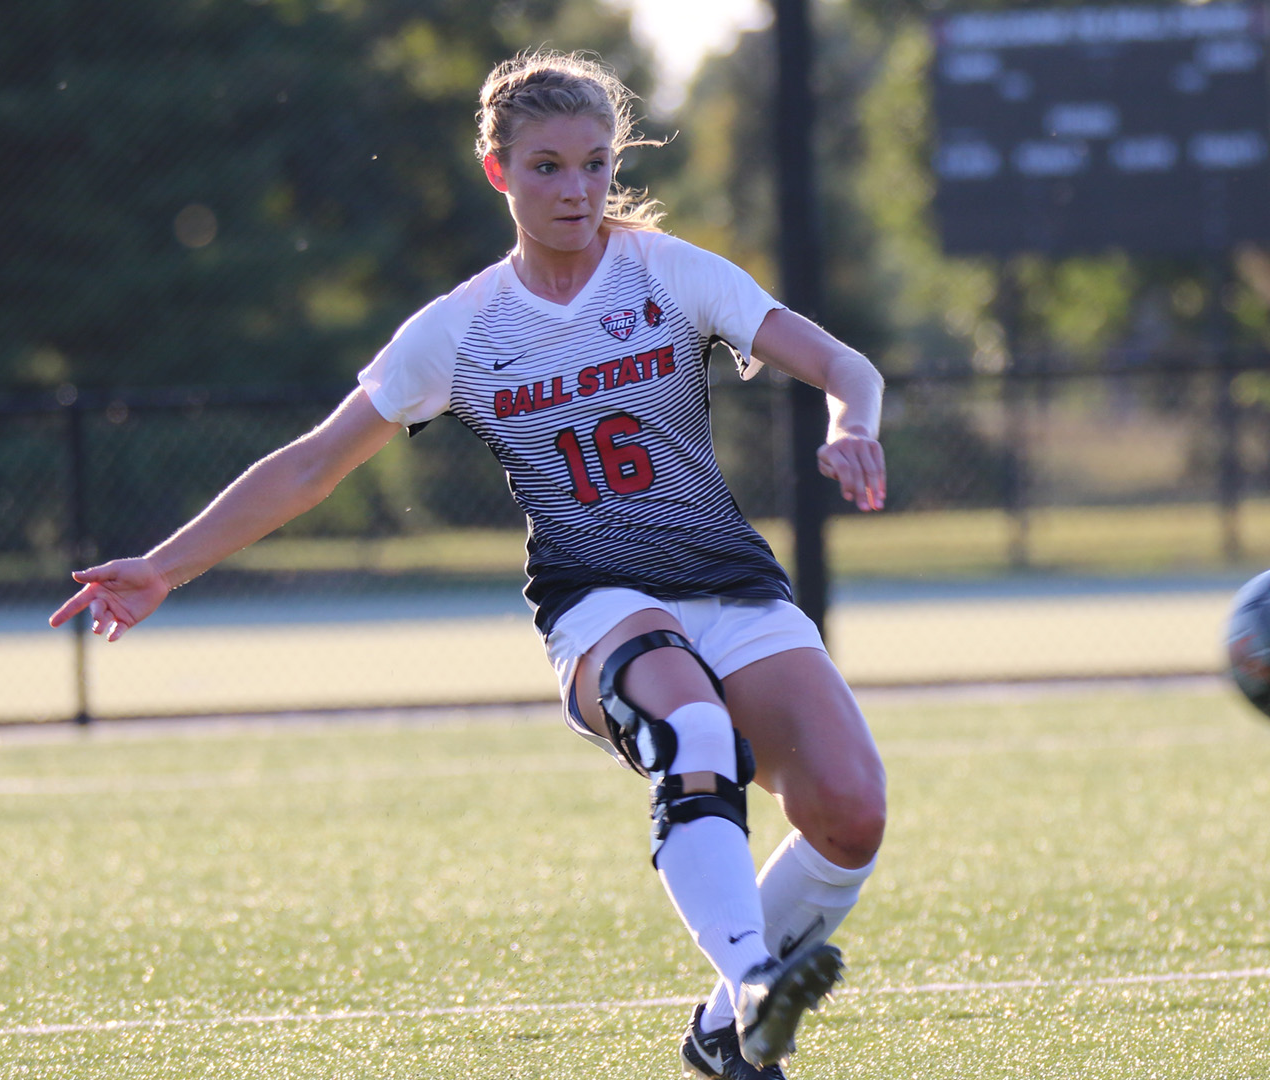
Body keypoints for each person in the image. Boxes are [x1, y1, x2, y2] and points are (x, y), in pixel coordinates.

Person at [49, 50, 887, 1079]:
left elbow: (845, 364)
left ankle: (726, 1031)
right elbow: (314, 464)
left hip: (729, 582)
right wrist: (167, 568)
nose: (575, 189)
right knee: (693, 727)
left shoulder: (668, 273)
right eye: (545, 167)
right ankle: (757, 982)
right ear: (497, 171)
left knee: (851, 814)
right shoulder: (462, 328)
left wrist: (856, 422)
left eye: (592, 163)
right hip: (601, 603)